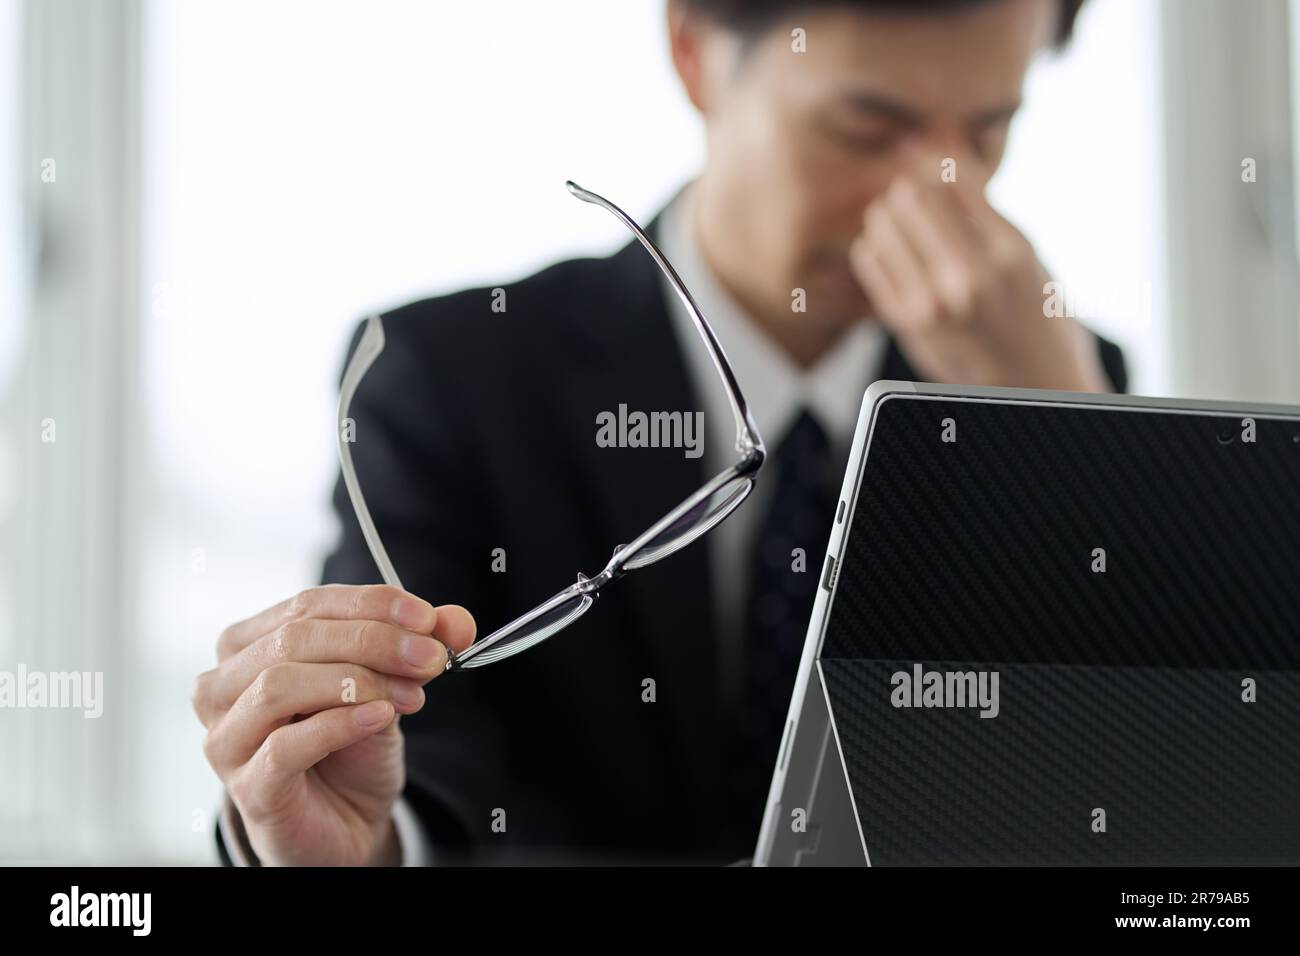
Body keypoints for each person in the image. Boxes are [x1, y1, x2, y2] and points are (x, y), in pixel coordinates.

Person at [193, 0, 1126, 866]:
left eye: (987, 131)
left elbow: (1123, 796)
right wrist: (361, 851)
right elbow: (425, 782)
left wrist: (1061, 439)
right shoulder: (450, 380)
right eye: (867, 130)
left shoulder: (1064, 392)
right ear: (695, 52)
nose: (936, 198)